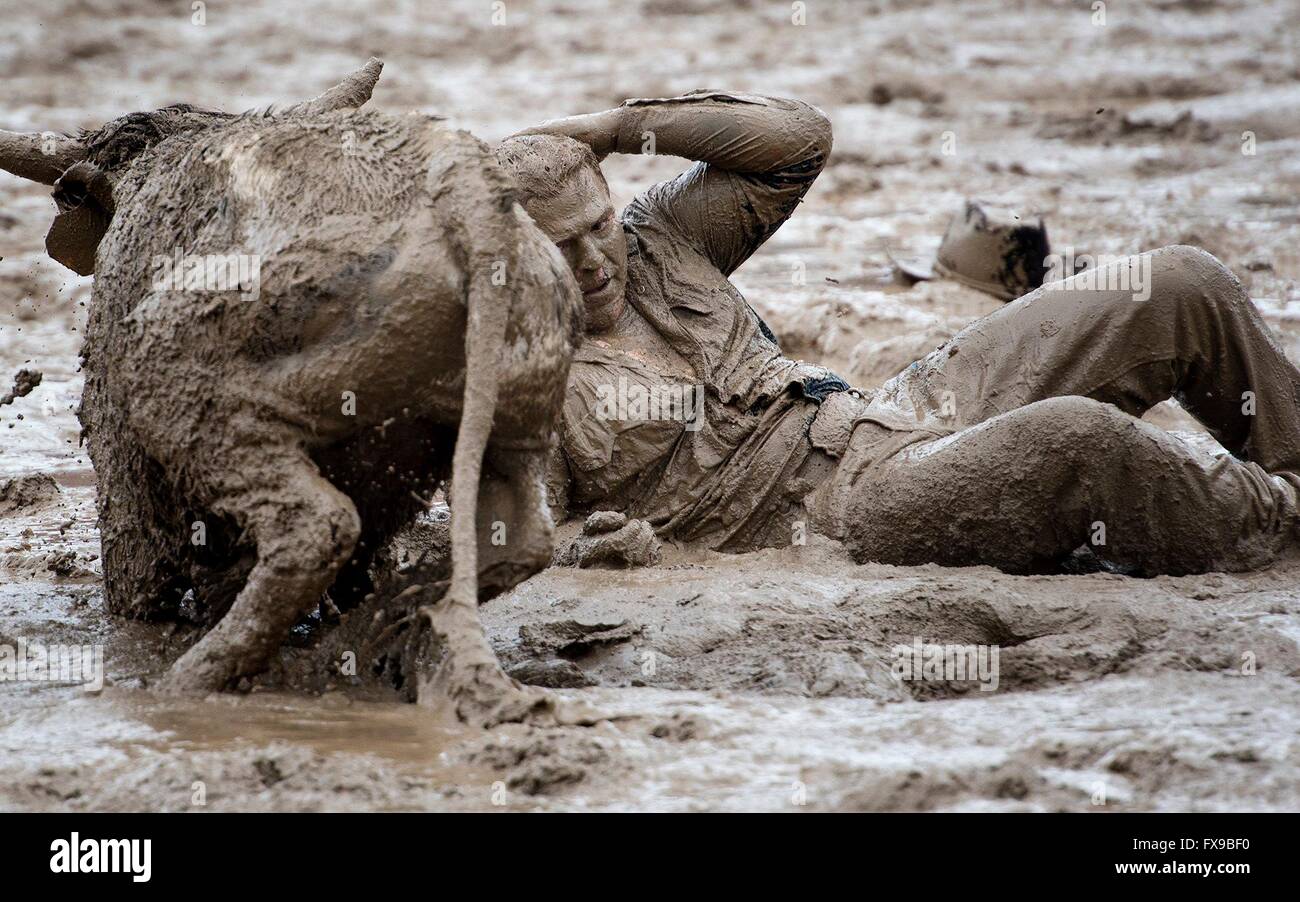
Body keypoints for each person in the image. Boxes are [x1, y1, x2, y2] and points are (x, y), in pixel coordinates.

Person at [496, 91, 1300, 575]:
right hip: (845, 510)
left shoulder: (660, 237)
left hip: (890, 412)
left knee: (1178, 282)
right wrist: (587, 549)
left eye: (595, 225)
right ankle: (1280, 525)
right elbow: (522, 542)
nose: (594, 260)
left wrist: (612, 125)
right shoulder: (517, 370)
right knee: (1073, 441)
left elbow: (799, 140)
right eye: (556, 246)